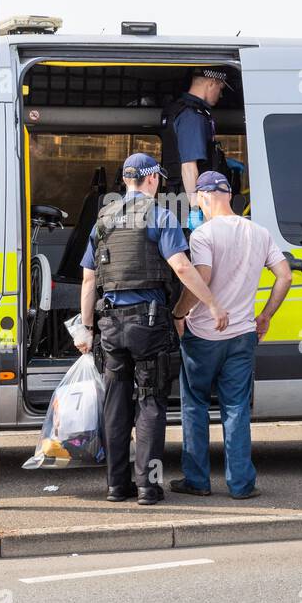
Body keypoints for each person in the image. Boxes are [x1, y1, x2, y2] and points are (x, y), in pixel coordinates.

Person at [77, 153, 228, 506]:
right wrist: (210, 303)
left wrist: (86, 329)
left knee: (115, 405)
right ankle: (148, 486)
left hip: (109, 323)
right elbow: (181, 266)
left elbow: (88, 278)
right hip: (148, 323)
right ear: (152, 180)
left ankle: (117, 485)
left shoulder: (103, 219)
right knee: (150, 404)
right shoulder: (160, 216)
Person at [169, 171, 293, 499]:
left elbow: (202, 279)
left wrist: (179, 312)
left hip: (204, 336)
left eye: (197, 201)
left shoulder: (203, 235)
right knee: (236, 406)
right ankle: (241, 484)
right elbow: (285, 276)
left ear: (205, 197)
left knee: (195, 404)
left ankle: (197, 480)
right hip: (243, 334)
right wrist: (265, 315)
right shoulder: (259, 231)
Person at [160, 69, 233, 205]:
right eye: (220, 88)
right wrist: (195, 209)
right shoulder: (192, 116)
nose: (221, 94)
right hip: (187, 202)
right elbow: (188, 167)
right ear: (212, 83)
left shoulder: (180, 109)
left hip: (178, 197)